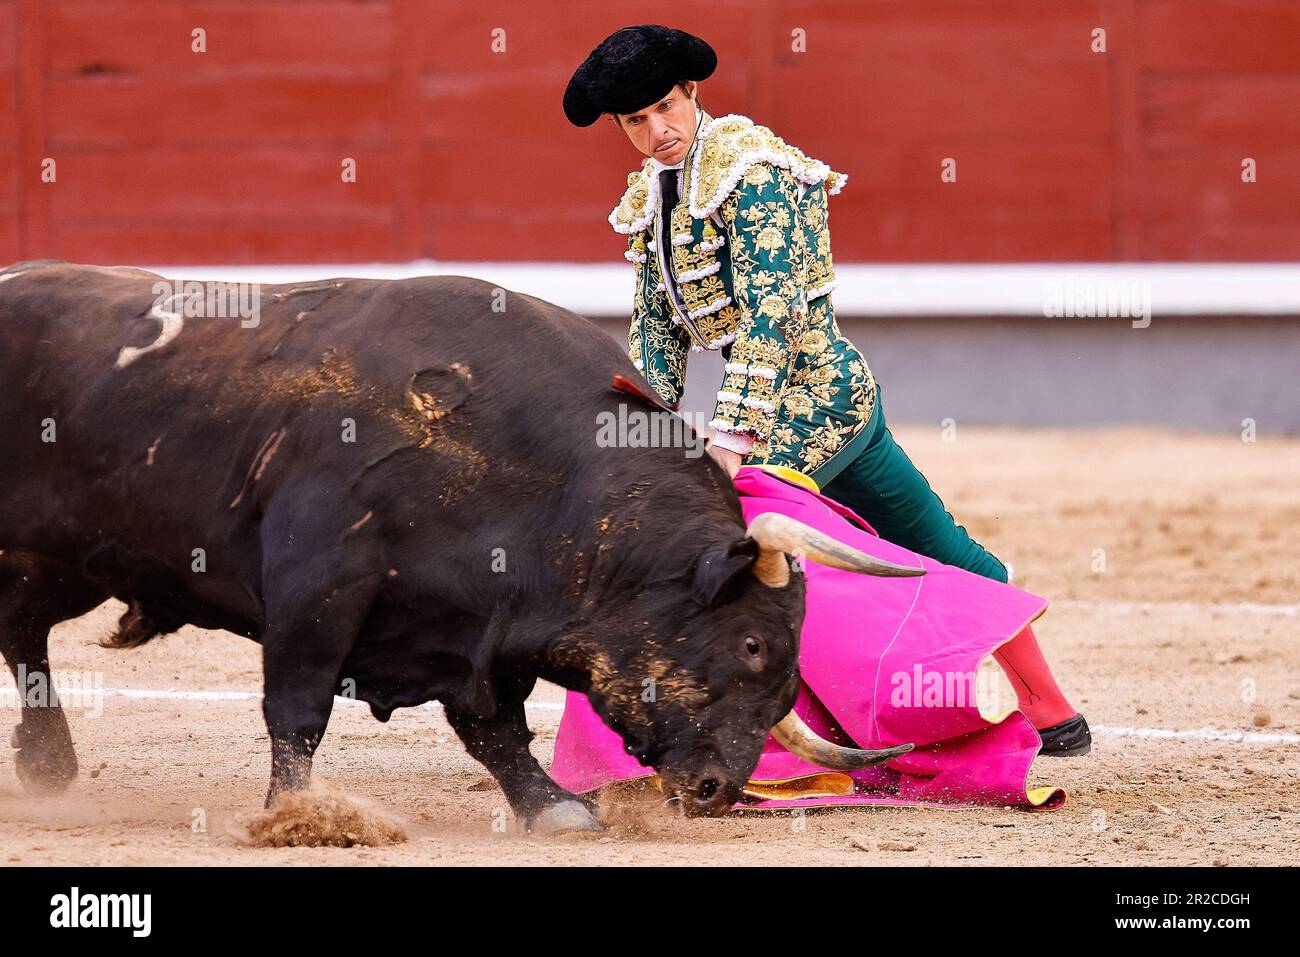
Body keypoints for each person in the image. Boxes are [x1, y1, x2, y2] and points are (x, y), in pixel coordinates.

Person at [563, 24, 1089, 755]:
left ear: (691, 92)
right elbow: (658, 330)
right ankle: (1055, 714)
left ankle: (752, 742)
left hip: (817, 405)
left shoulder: (754, 172)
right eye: (635, 121)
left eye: (664, 108)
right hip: (826, 403)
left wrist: (728, 440)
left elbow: (771, 316)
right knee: (932, 547)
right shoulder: (656, 197)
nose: (657, 131)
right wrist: (644, 435)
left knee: (733, 547)